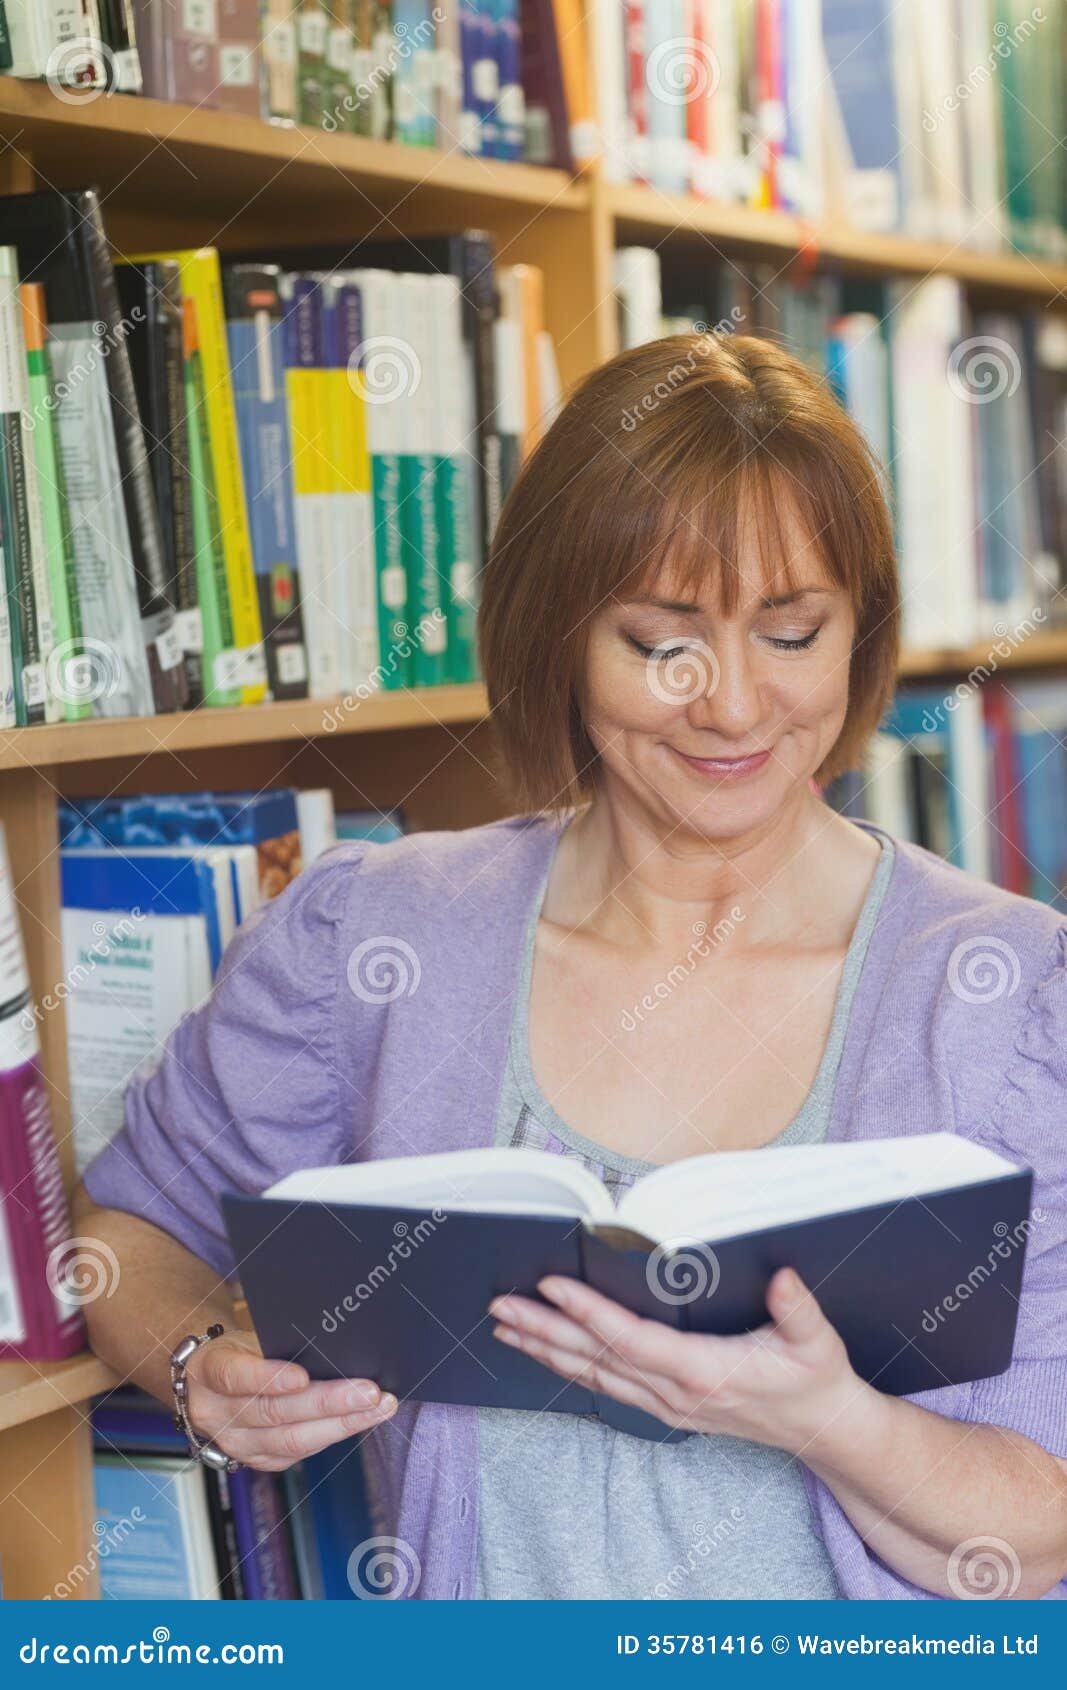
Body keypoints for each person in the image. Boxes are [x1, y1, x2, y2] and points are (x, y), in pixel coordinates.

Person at [76, 331, 1067, 1600]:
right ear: (561, 637)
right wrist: (199, 1359)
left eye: (792, 631)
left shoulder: (1011, 1001)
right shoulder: (378, 942)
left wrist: (827, 1419)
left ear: (858, 633)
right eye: (660, 640)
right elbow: (125, 1229)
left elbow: (1040, 1525)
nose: (730, 704)